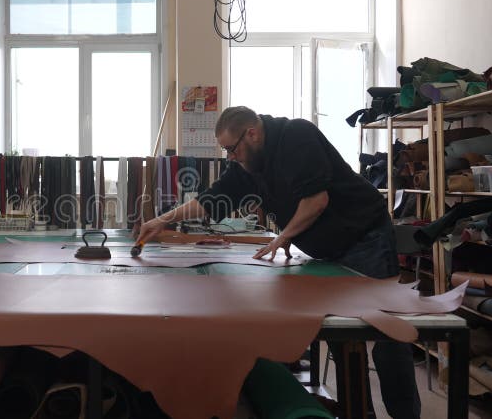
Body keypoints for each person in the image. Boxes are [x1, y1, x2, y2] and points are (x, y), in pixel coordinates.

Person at [136, 106, 420, 419]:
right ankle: (361, 413)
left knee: (386, 333)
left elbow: (316, 201)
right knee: (344, 337)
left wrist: (282, 237)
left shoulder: (297, 136)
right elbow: (211, 198)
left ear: (253, 134)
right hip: (332, 249)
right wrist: (162, 220)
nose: (230, 157)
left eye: (232, 149)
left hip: (366, 237)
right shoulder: (249, 163)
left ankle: (406, 415)